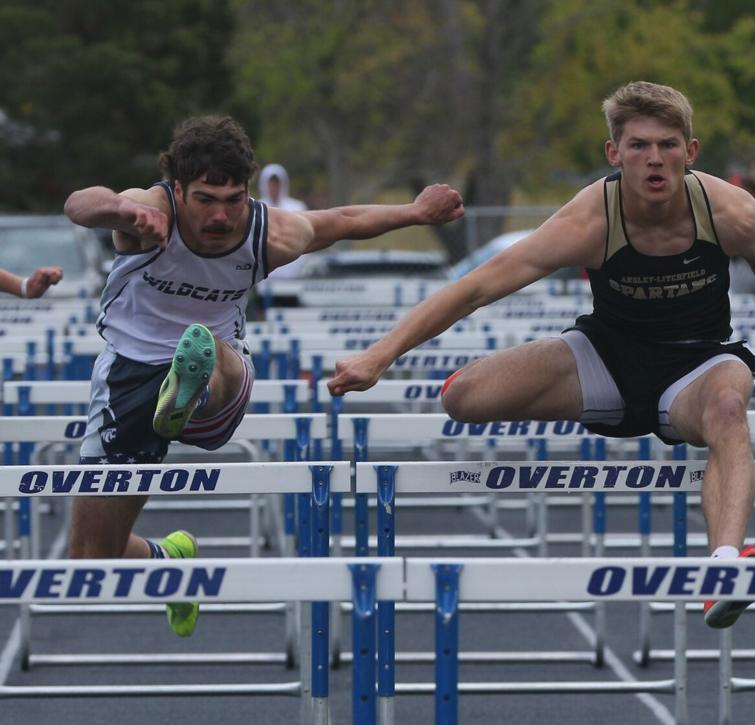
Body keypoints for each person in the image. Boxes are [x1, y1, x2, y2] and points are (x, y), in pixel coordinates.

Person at [327, 81, 755, 629]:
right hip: (607, 359)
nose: (654, 160)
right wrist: (380, 355)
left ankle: (724, 569)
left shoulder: (728, 210)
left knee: (729, 409)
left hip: (698, 365)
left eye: (668, 145)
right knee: (464, 400)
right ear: (614, 154)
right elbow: (477, 286)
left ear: (691, 151)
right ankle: (474, 382)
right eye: (638, 146)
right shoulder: (590, 220)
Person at [63, 115, 463, 636]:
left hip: (220, 382)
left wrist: (415, 212)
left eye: (233, 199)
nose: (221, 216)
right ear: (178, 190)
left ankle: (197, 375)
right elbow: (80, 204)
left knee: (212, 349)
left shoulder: (270, 232)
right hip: (128, 378)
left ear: (248, 193)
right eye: (205, 200)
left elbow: (343, 219)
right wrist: (122, 209)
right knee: (88, 562)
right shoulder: (149, 210)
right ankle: (169, 557)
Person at [257, 163, 309, 279]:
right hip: (264, 277)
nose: (274, 187)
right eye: (271, 183)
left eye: (277, 183)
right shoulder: (257, 208)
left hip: (294, 275)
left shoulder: (297, 207)